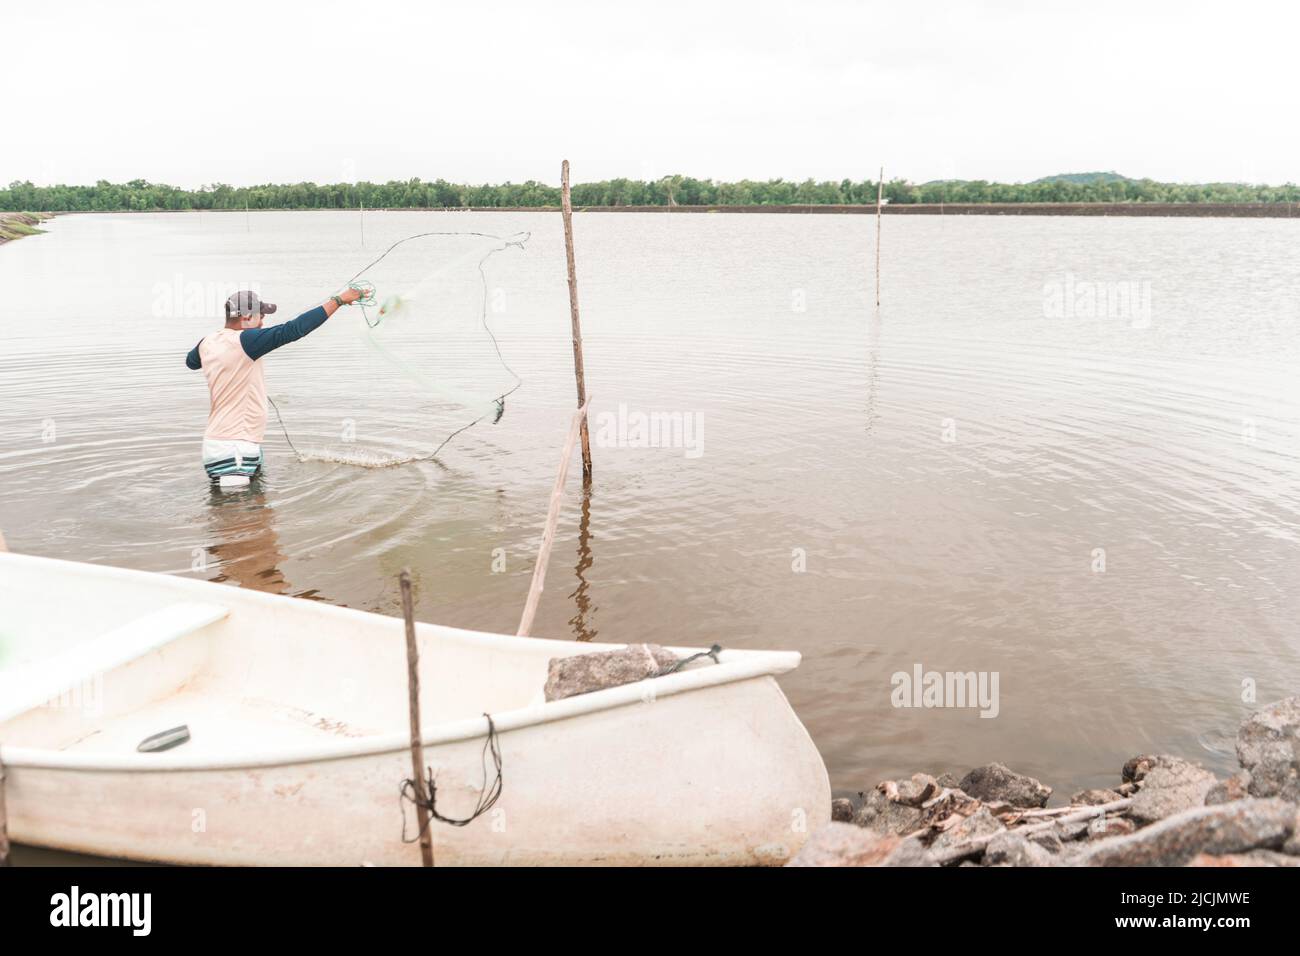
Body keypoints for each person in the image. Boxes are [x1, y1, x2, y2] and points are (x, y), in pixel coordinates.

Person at [186, 288, 362, 483]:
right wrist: (338, 300)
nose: (262, 322)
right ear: (245, 316)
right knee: (236, 511)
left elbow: (191, 362)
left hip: (221, 444)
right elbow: (293, 330)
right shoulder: (245, 341)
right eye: (260, 316)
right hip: (235, 448)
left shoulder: (208, 342)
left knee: (257, 511)